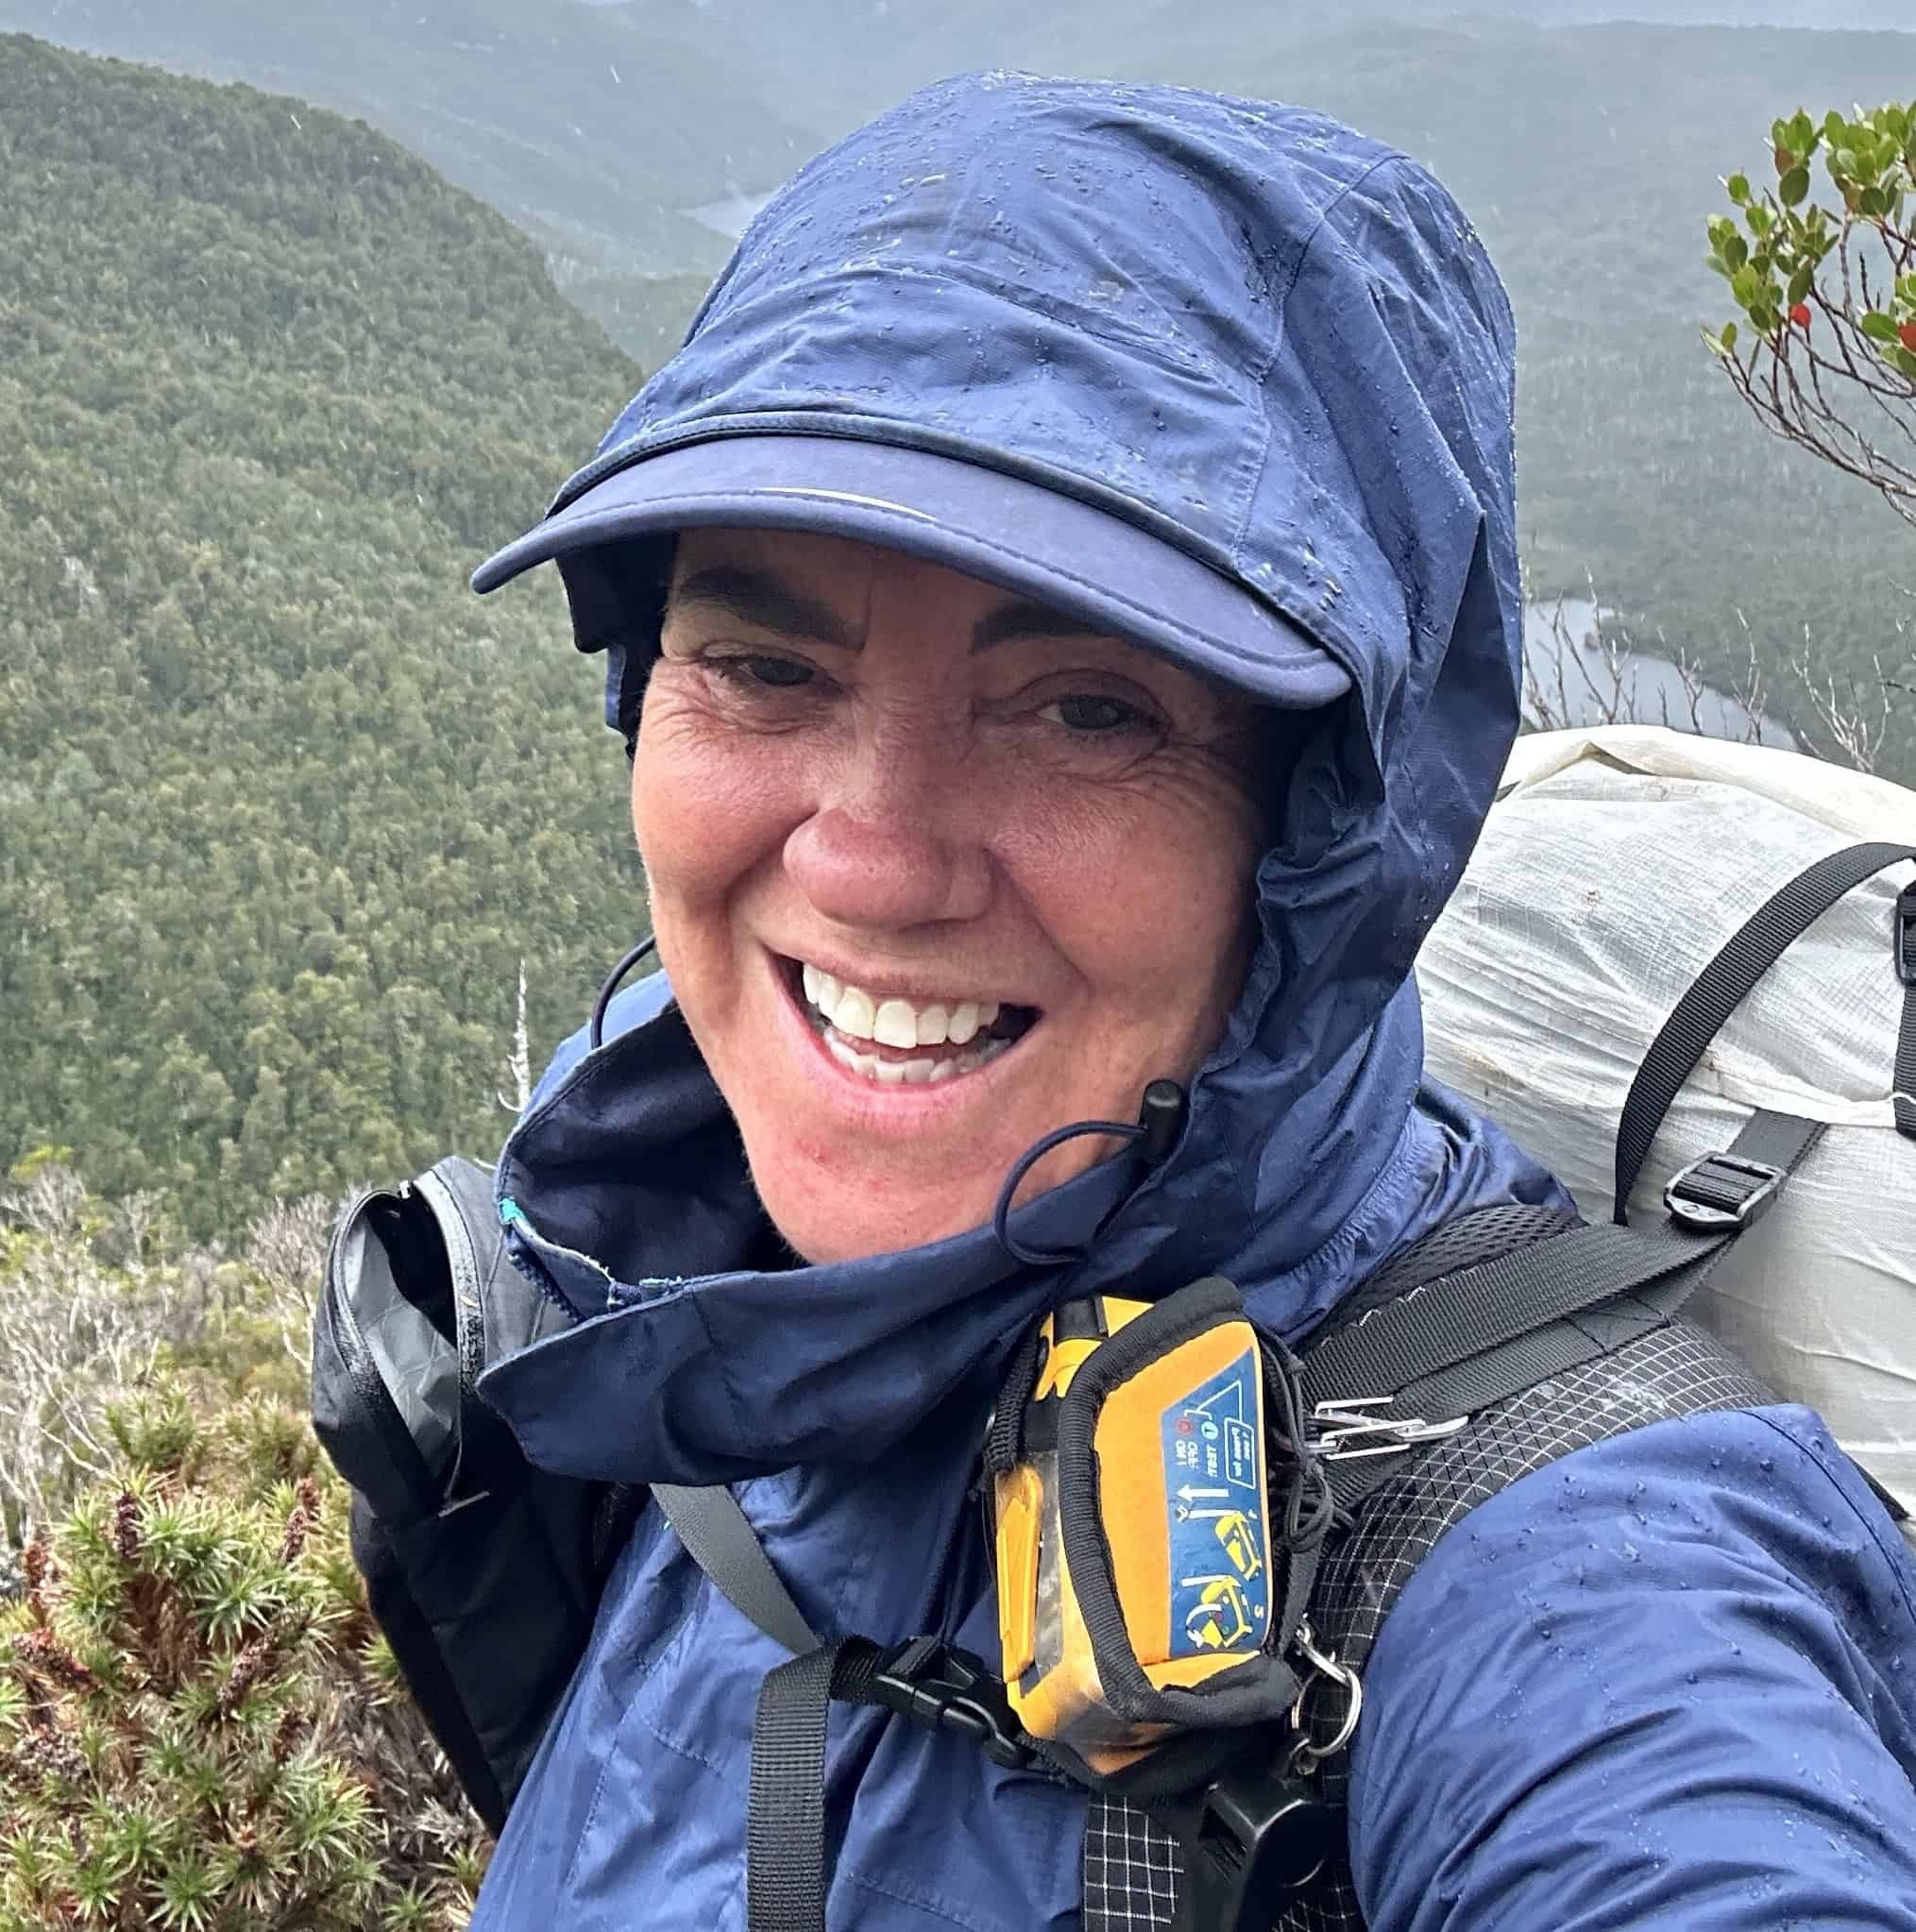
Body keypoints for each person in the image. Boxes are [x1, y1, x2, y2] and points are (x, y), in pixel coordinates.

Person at [455, 72, 1916, 1930]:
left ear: (1323, 841)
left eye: (1087, 710)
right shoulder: (641, 1276)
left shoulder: (1569, 1576)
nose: (872, 864)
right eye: (761, 664)